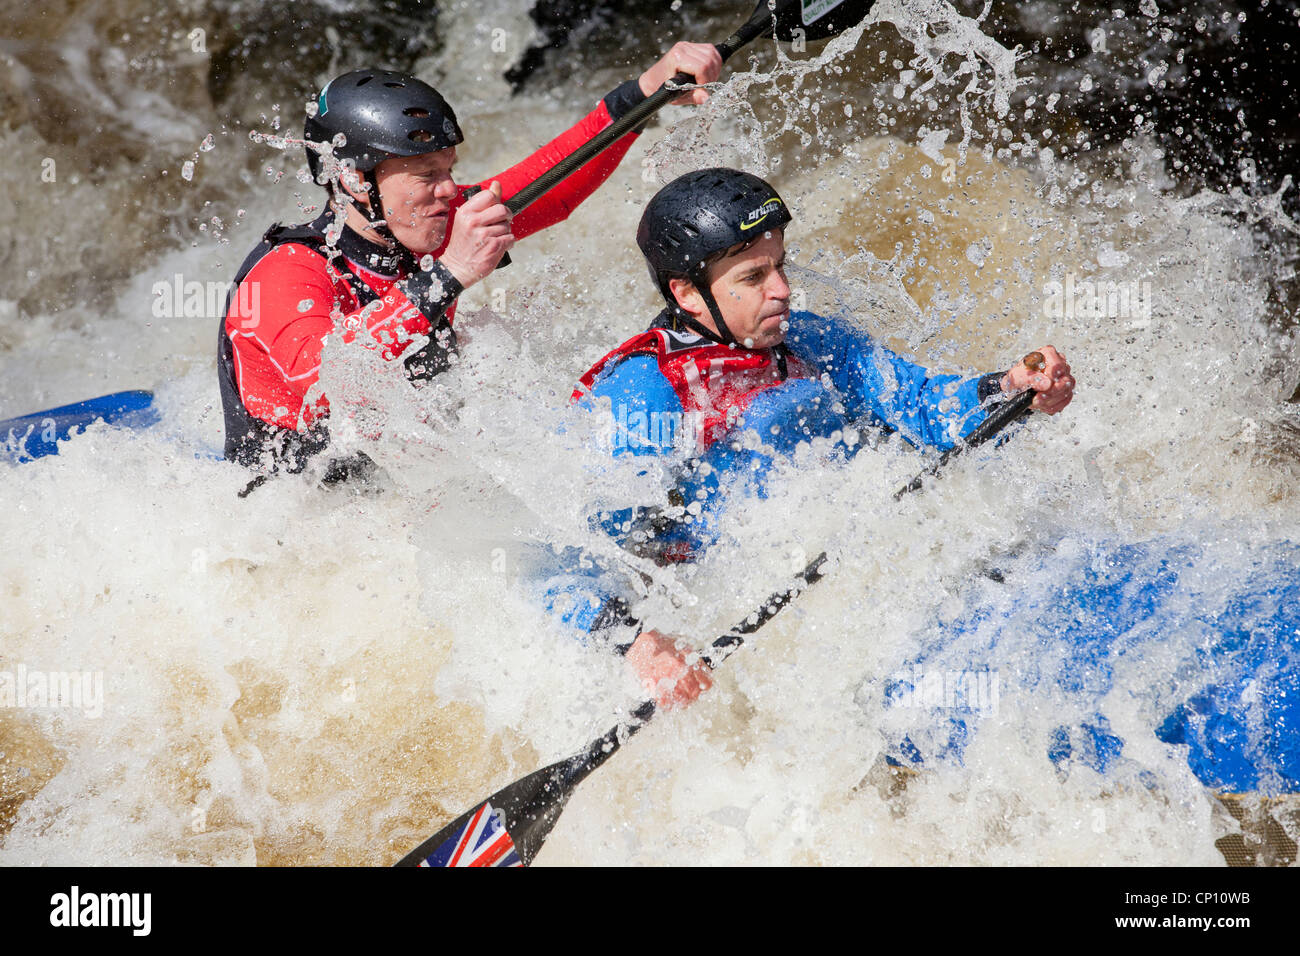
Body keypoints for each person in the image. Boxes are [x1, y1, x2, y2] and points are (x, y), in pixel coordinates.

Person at [544, 167, 1075, 709]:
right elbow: (557, 556)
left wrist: (1009, 389)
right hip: (744, 612)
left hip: (872, 576)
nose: (783, 291)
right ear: (689, 294)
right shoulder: (644, 395)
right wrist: (635, 642)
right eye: (753, 278)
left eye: (780, 267)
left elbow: (920, 407)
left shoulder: (809, 341)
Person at [218, 45, 722, 476]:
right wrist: (449, 274)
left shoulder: (418, 222)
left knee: (491, 341)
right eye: (423, 174)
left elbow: (553, 186)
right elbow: (329, 384)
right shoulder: (284, 273)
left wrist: (646, 91)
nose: (447, 192)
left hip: (403, 478)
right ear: (353, 180)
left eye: (449, 169)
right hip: (297, 514)